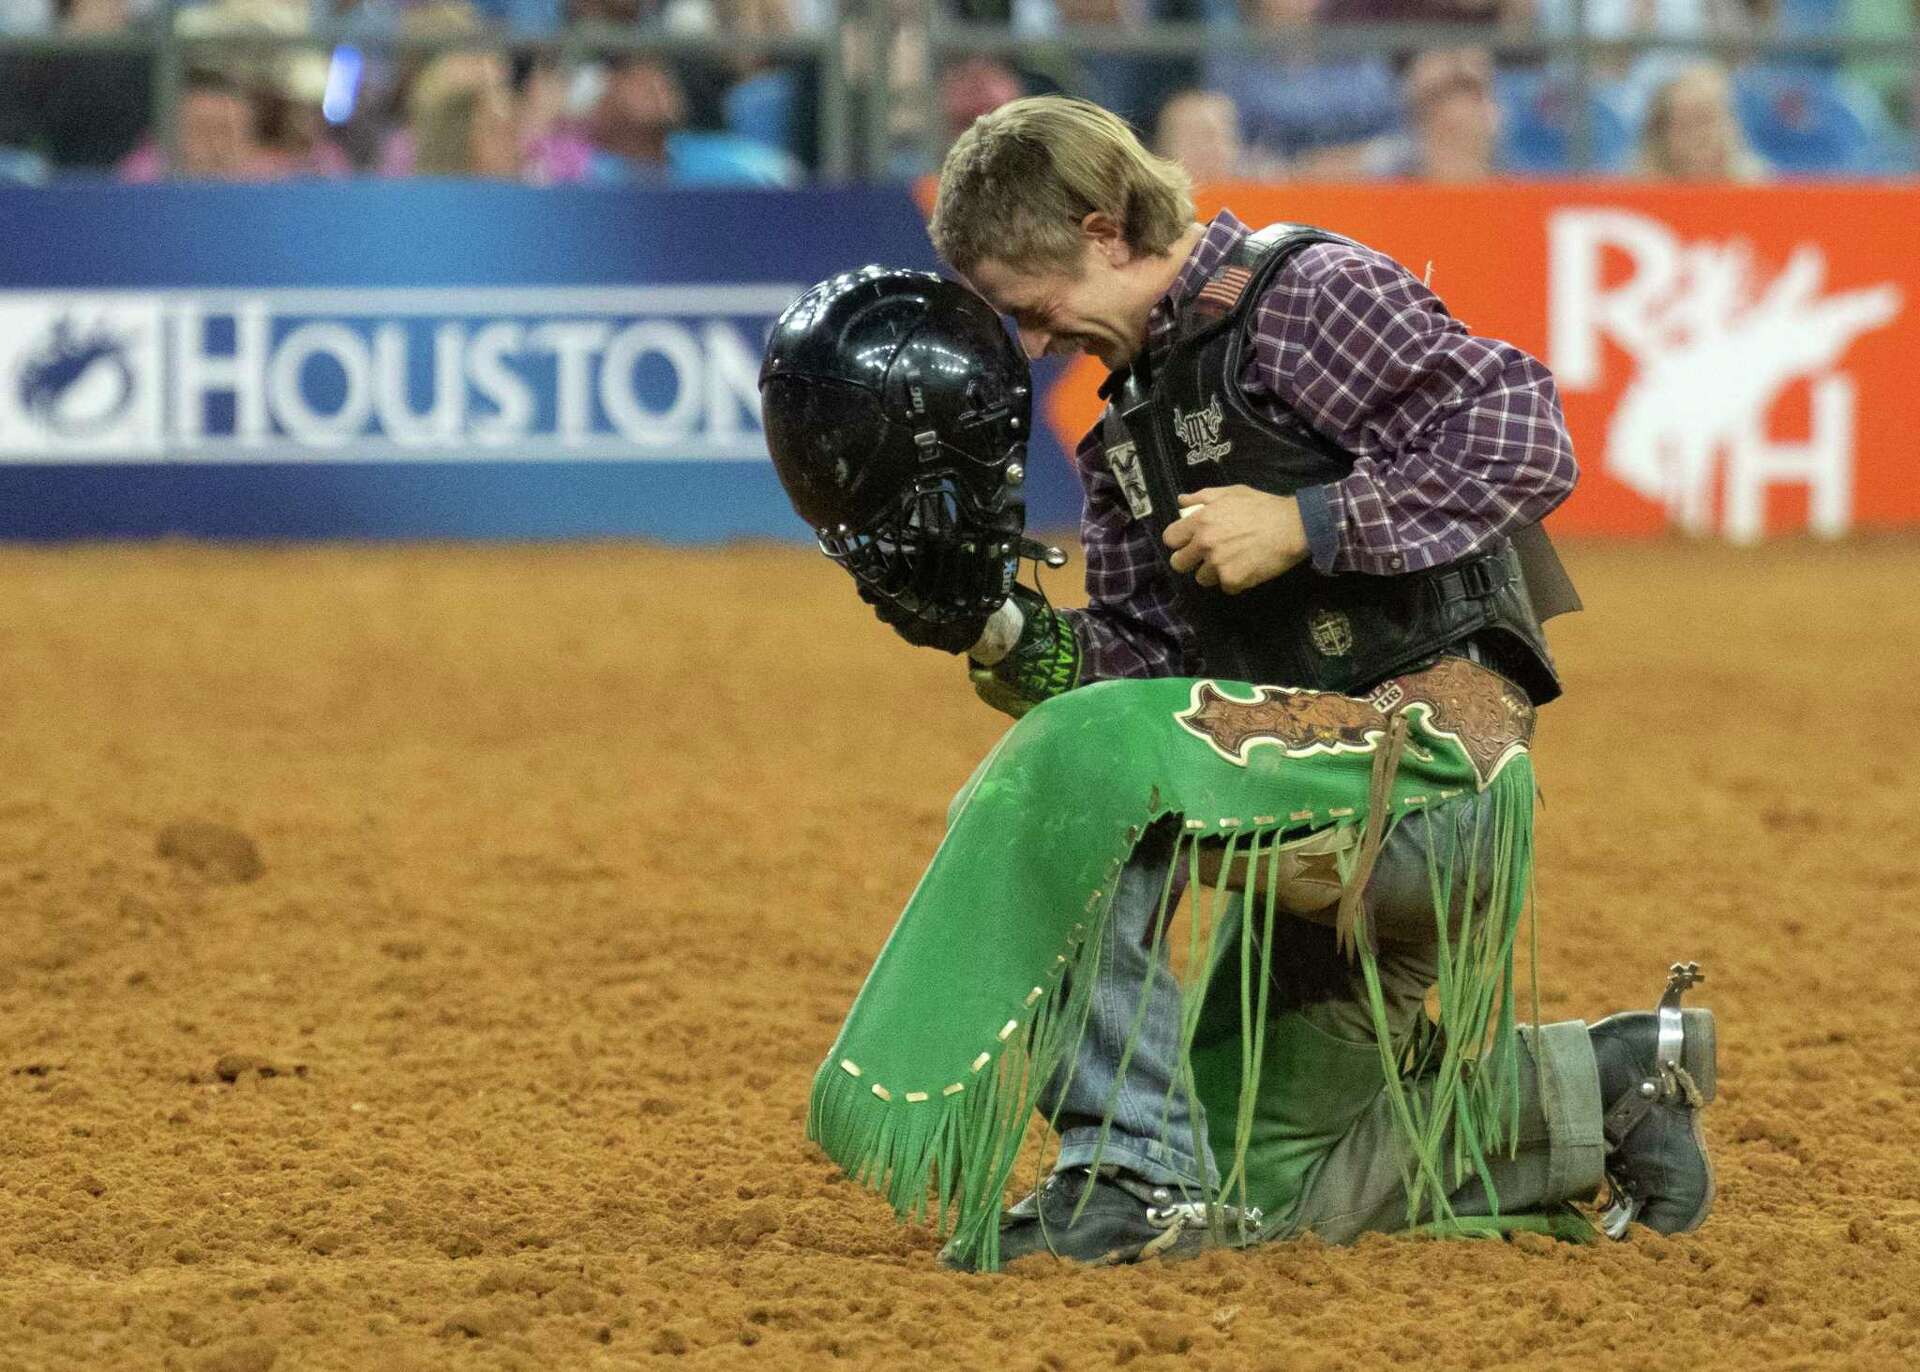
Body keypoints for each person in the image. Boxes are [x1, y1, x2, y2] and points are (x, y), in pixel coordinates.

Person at [767, 94, 1720, 1273]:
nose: (1042, 340)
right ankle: (1611, 1086)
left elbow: (1525, 431)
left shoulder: (1305, 295)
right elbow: (1132, 677)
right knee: (1275, 1182)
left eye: (1034, 304)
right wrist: (997, 628)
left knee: (1069, 772)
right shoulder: (1123, 440)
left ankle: (1131, 1170)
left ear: (1105, 228)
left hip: (1434, 770)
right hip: (1306, 799)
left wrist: (1308, 520)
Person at [1634, 61, 1771, 182]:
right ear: (1661, 133)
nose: (1700, 137)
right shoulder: (1634, 196)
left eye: (1707, 121)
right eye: (1686, 125)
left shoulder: (1758, 188)